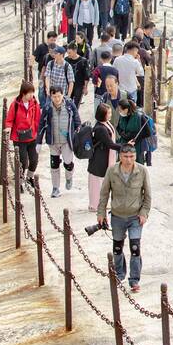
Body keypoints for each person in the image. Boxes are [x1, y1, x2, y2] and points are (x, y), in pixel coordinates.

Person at [96, 143, 151, 293]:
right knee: (117, 248)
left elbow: (148, 195)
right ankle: (119, 275)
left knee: (135, 248)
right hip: (117, 215)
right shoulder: (112, 171)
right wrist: (101, 213)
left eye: (132, 156)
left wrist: (144, 213)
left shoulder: (142, 171)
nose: (128, 160)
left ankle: (134, 280)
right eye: (126, 157)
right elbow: (104, 193)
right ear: (120, 156)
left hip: (135, 216)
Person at [39, 84, 79, 197]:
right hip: (53, 142)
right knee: (54, 166)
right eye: (54, 96)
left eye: (59, 96)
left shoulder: (70, 105)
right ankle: (55, 188)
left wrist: (78, 132)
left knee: (68, 163)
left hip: (67, 141)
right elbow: (41, 124)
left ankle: (69, 177)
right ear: (50, 96)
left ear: (62, 95)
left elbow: (77, 120)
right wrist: (38, 142)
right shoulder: (47, 108)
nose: (57, 99)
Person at [6, 80, 41, 189]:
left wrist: (37, 132)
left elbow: (37, 118)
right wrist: (8, 128)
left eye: (32, 92)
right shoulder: (15, 105)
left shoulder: (34, 103)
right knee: (22, 161)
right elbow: (9, 119)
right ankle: (20, 181)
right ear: (23, 93)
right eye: (29, 93)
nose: (31, 95)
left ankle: (29, 177)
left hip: (32, 136)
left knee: (34, 159)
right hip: (19, 138)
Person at [87, 103, 119, 211]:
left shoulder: (106, 124)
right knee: (97, 182)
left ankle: (102, 203)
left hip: (105, 156)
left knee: (104, 182)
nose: (110, 114)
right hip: (99, 159)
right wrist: (124, 147)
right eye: (108, 113)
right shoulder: (100, 128)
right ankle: (95, 204)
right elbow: (110, 144)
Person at [66, 41, 91, 110]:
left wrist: (85, 87)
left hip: (79, 85)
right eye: (68, 53)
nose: (68, 54)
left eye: (70, 53)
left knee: (76, 104)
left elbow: (87, 76)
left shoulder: (83, 61)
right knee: (67, 103)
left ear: (75, 51)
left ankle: (74, 118)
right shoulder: (66, 60)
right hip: (69, 85)